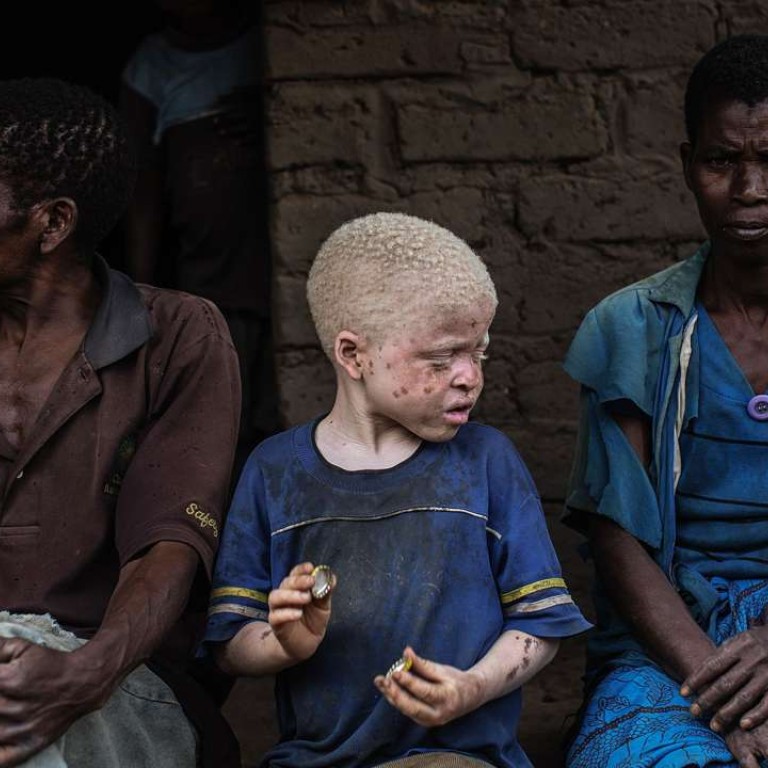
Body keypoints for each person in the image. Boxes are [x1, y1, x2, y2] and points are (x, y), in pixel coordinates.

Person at [202, 211, 591, 768]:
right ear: (353, 355)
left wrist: (472, 687)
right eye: (441, 358)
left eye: (479, 351)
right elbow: (229, 643)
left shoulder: (486, 463)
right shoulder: (274, 472)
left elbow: (541, 621)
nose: (470, 376)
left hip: (457, 758)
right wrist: (283, 642)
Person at [0, 78, 241, 767]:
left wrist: (87, 674)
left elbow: (168, 545)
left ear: (53, 224)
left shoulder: (177, 337)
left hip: (117, 676)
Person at [564, 34, 768, 768]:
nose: (749, 189)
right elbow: (618, 542)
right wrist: (720, 688)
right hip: (672, 648)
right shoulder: (633, 328)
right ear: (687, 166)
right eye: (722, 161)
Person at [120, 0, 277, 463]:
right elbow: (140, 190)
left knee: (281, 413)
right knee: (225, 422)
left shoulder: (268, 42)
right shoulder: (152, 66)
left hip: (274, 270)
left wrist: (272, 114)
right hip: (209, 273)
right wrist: (140, 294)